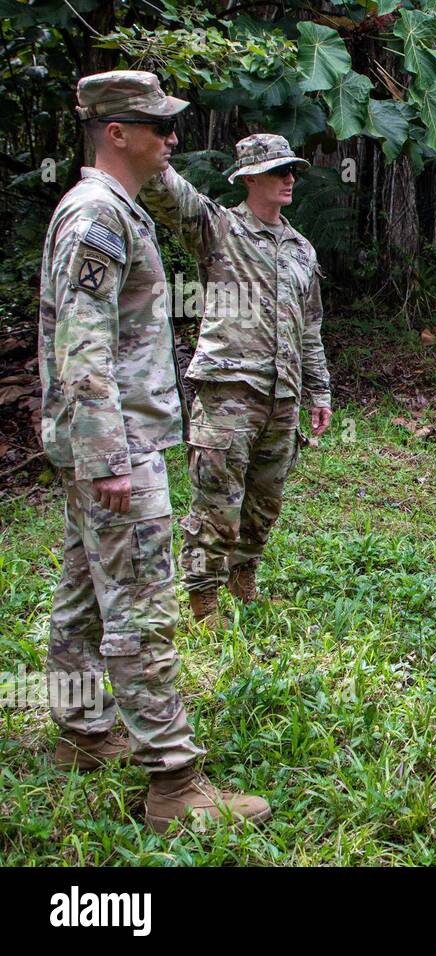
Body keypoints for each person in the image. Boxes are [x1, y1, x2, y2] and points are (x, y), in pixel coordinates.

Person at [38, 70, 270, 831]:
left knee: (81, 593)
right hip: (118, 448)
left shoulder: (115, 209)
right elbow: (84, 347)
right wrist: (107, 457)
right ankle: (174, 784)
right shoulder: (98, 218)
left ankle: (81, 731)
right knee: (141, 609)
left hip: (104, 446)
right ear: (115, 133)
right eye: (157, 125)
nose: (171, 138)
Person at [140, 134, 332, 625]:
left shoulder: (301, 249)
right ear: (248, 178)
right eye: (278, 170)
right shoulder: (218, 228)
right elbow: (168, 192)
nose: (290, 178)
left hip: (282, 395)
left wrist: (319, 389)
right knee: (216, 505)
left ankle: (242, 576)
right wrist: (143, 137)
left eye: (293, 170)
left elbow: (309, 327)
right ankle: (204, 601)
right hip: (228, 391)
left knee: (265, 502)